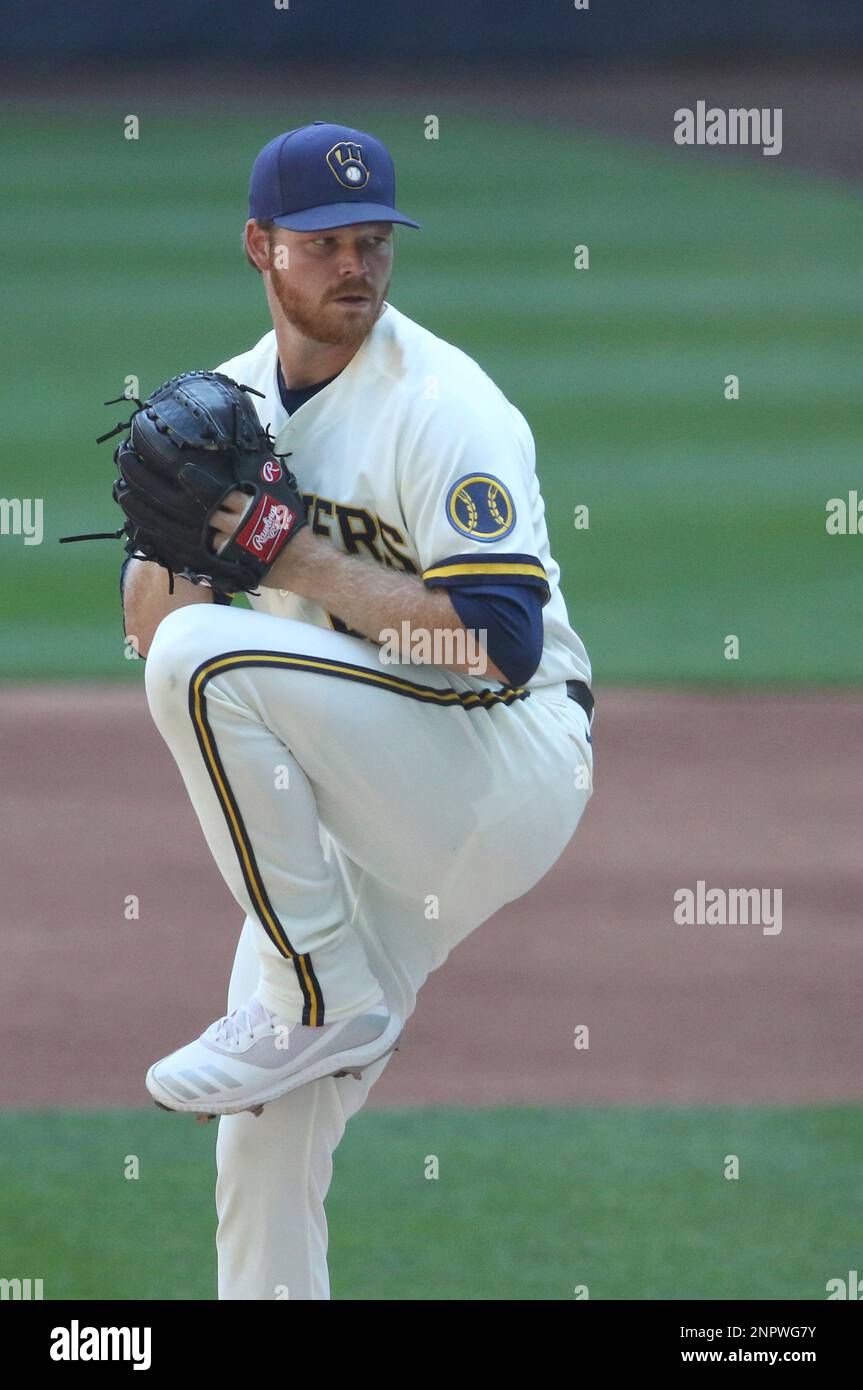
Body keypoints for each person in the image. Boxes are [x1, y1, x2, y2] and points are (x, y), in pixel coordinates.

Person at [122, 122, 594, 1300]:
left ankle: (319, 993)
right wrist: (168, 536)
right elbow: (146, 622)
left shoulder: (443, 405)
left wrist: (290, 551)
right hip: (368, 798)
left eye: (374, 241)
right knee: (264, 1132)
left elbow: (495, 648)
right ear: (258, 248)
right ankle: (316, 1002)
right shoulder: (222, 407)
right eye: (326, 243)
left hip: (499, 755)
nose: (356, 266)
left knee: (207, 662)